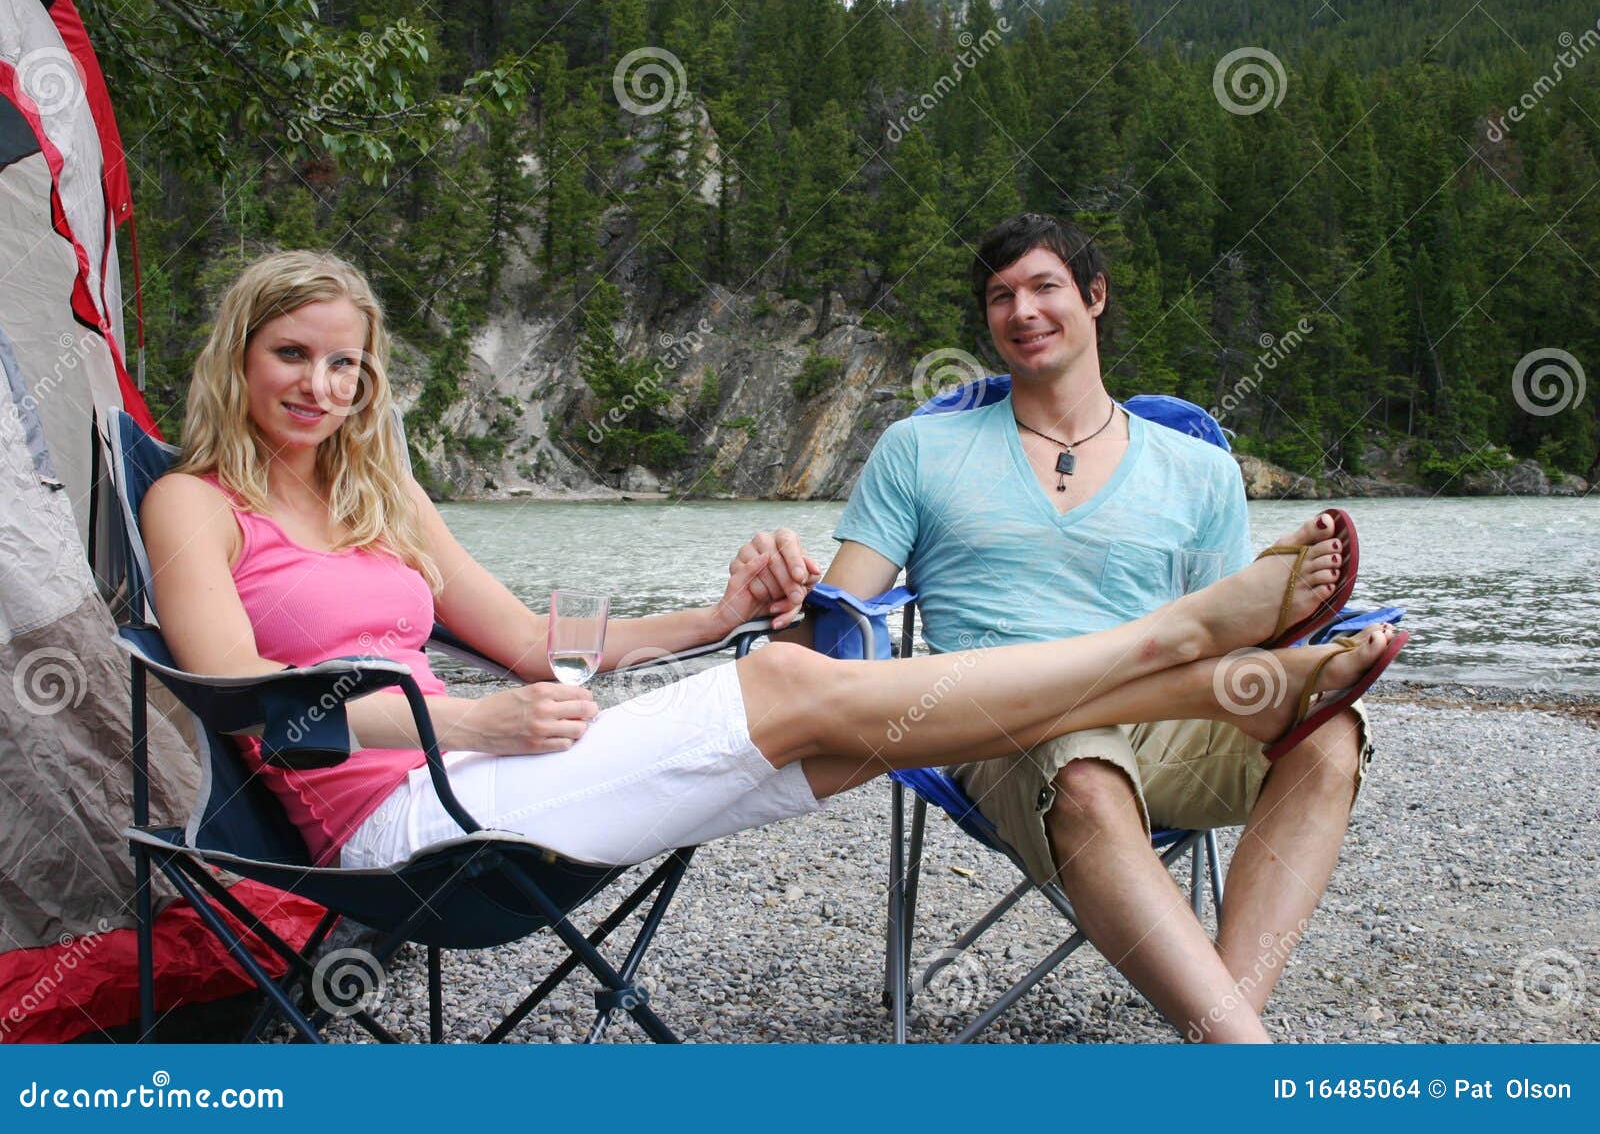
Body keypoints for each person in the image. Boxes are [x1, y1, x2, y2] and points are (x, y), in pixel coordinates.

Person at [142, 252, 1399, 1028]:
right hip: (398, 828)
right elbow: (243, 698)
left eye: (345, 365)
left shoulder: (380, 502)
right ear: (238, 359)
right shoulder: (193, 502)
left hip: (491, 773)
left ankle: (1195, 711)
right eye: (291, 356)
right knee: (800, 685)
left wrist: (717, 617)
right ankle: (1186, 650)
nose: (319, 386)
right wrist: (459, 719)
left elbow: (534, 637)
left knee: (836, 719)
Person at [744, 212, 1392, 1043]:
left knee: (1333, 730)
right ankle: (1246, 1064)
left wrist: (1260, 656)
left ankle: (1225, 1031)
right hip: (993, 722)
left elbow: (1241, 652)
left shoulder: (1198, 468)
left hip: (1166, 726)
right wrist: (778, 597)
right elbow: (835, 632)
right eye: (1000, 295)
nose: (1022, 311)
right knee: (1079, 766)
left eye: (1045, 286)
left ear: (1094, 296)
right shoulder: (919, 450)